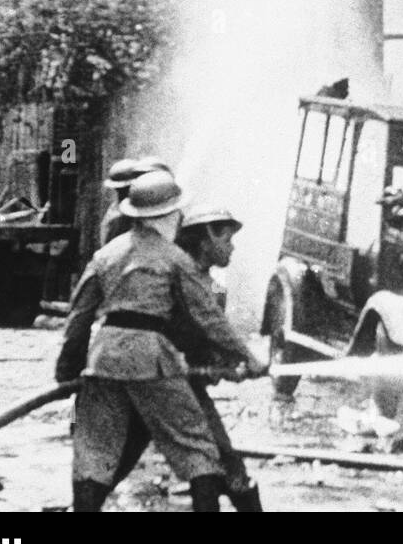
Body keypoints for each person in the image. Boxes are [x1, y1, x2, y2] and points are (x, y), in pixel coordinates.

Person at [55, 170, 268, 512]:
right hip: (151, 359)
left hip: (103, 358)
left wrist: (68, 370)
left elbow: (78, 319)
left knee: (94, 453)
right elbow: (208, 318)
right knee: (199, 450)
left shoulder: (106, 255)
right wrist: (250, 356)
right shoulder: (175, 259)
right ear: (170, 214)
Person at [111, 204, 262, 512]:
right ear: (206, 241)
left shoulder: (212, 287)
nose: (232, 249)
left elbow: (208, 342)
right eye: (227, 240)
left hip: (179, 385)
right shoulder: (175, 278)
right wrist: (246, 359)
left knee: (126, 459)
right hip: (163, 383)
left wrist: (225, 367)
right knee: (217, 460)